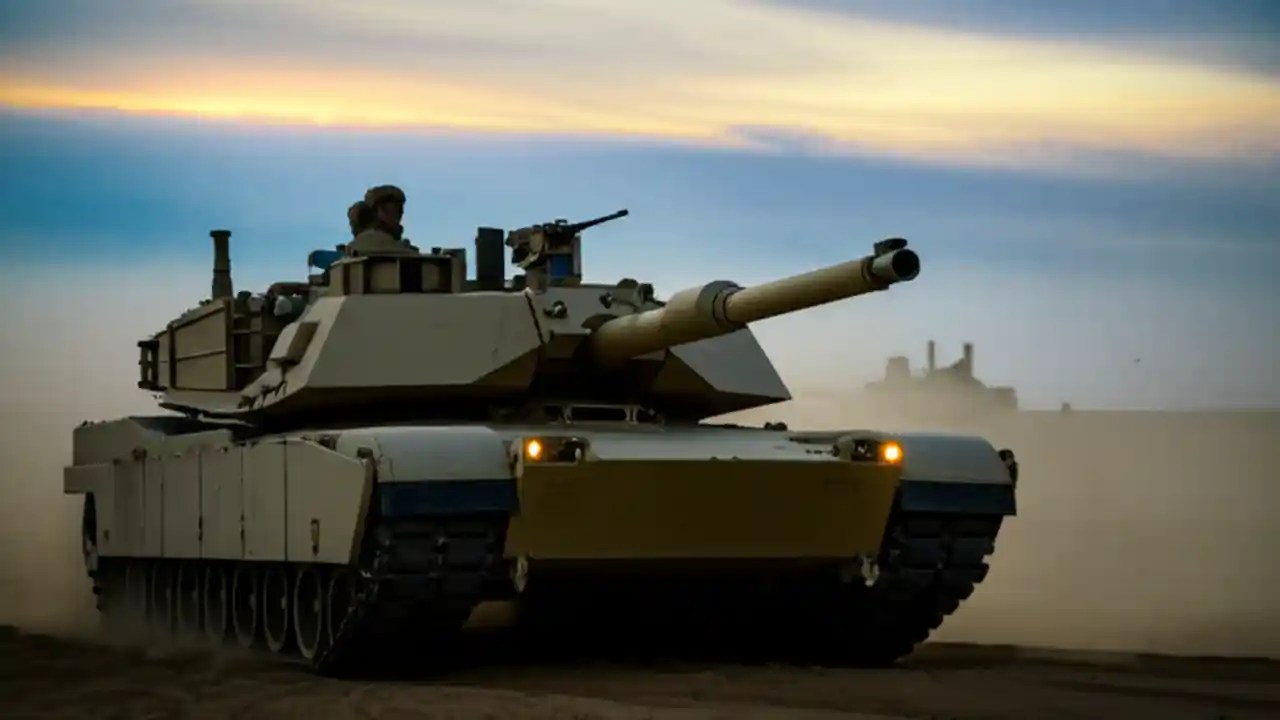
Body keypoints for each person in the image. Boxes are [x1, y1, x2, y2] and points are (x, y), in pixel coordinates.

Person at [344, 184, 419, 256]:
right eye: (397, 209)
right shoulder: (372, 238)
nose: (402, 213)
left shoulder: (389, 238)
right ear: (380, 210)